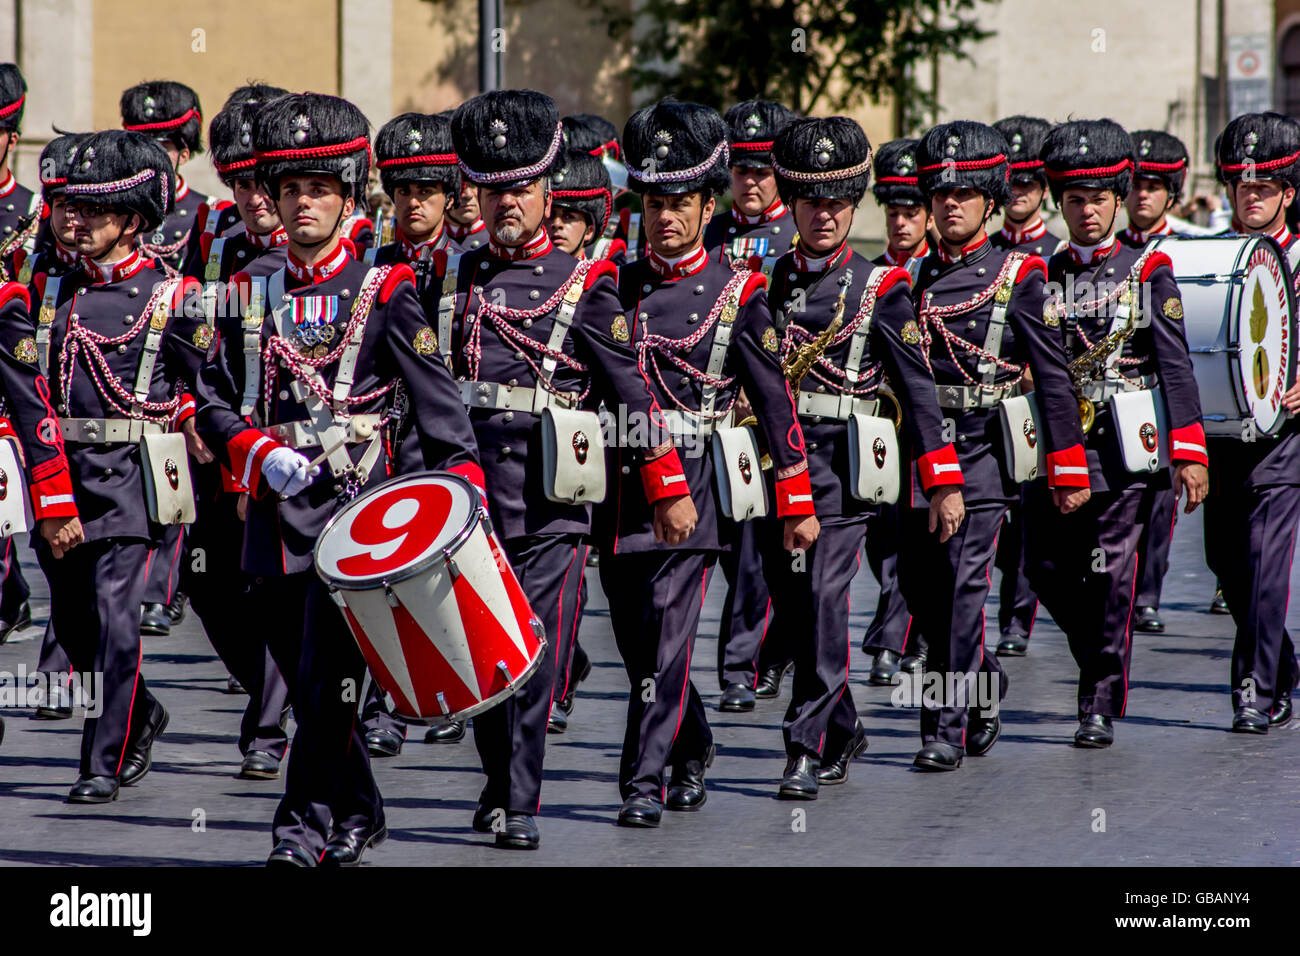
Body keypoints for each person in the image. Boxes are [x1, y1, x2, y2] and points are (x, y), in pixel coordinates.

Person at [196, 92, 483, 865]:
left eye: (318, 189)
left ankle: (298, 833)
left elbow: (440, 412)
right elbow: (212, 394)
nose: (301, 204)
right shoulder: (248, 288)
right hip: (272, 522)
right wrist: (253, 452)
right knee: (313, 686)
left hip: (358, 527)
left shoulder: (384, 289)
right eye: (290, 189)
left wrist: (462, 505)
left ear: (349, 194)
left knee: (324, 688)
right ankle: (361, 806)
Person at [448, 88, 694, 845]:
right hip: (469, 500)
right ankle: (499, 779)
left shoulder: (588, 284)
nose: (505, 203)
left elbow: (630, 390)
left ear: (549, 191)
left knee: (532, 655)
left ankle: (521, 803)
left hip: (554, 503)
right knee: (484, 655)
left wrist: (665, 486)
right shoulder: (454, 277)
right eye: (492, 191)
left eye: (519, 188)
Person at [597, 98, 814, 825]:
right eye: (655, 202)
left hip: (693, 486)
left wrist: (797, 499)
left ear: (705, 203)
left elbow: (775, 401)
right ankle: (691, 745)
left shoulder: (738, 291)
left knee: (665, 635)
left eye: (682, 202)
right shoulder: (612, 286)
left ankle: (643, 779)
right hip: (616, 487)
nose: (666, 217)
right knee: (638, 646)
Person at [762, 116, 964, 798]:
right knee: (790, 609)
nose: (825, 214)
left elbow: (918, 390)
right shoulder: (763, 282)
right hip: (773, 469)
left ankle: (804, 742)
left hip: (845, 474)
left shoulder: (882, 288)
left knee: (822, 601)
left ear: (854, 205)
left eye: (839, 201)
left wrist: (941, 482)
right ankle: (843, 725)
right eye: (813, 201)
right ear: (791, 203)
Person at [28, 130, 209, 801]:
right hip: (61, 477)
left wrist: (197, 425)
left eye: (90, 211)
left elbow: (207, 385)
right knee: (75, 623)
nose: (71, 221)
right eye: (64, 207)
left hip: (134, 477)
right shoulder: (46, 288)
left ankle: (101, 760)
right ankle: (142, 714)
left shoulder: (177, 293)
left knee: (114, 618)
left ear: (132, 220)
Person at [901, 120, 1088, 771]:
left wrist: (1067, 466)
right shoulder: (908, 278)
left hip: (982, 452)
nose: (951, 204)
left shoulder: (1023, 275)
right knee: (921, 594)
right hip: (917, 455)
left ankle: (941, 727)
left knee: (958, 590)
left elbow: (1056, 378)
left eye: (966, 193)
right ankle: (984, 691)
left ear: (989, 199)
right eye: (940, 193)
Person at [1027, 118, 1208, 748]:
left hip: (1129, 449)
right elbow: (1046, 374)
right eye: (1074, 199)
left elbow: (1175, 363)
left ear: (1119, 198)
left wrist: (1190, 452)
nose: (1088, 211)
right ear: (1059, 202)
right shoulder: (1042, 275)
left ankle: (1097, 699)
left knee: (1109, 573)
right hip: (1061, 445)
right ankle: (1095, 660)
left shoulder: (1149, 268)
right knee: (1043, 566)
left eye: (1099, 198)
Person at [180, 89, 293, 780]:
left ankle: (270, 728)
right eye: (238, 180)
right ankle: (274, 693)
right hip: (223, 437)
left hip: (297, 447)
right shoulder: (217, 241)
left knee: (281, 582)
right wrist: (195, 408)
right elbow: (195, 332)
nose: (252, 196)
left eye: (262, 180)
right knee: (208, 578)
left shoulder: (350, 243)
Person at [358, 109, 466, 756]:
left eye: (426, 190)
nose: (413, 202)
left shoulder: (467, 264)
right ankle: (384, 710)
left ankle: (449, 690)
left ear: (448, 196)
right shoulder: (372, 264)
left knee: (438, 574)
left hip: (442, 429)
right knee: (381, 573)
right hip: (383, 432)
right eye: (403, 190)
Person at [1204, 112, 1300, 733]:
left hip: (1287, 441)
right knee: (1226, 562)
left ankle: (1256, 691)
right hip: (1224, 439)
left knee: (1267, 563)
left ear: (1288, 193)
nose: (1252, 196)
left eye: (1264, 187)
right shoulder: (1213, 256)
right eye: (1243, 187)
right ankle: (1285, 666)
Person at [703, 100, 800, 713]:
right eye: (742, 168)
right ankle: (740, 664)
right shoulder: (708, 233)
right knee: (737, 544)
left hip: (781, 413)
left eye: (765, 168)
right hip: (718, 413)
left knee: (782, 553)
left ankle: (770, 649)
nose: (753, 179)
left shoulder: (798, 233)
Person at [988, 115, 1061, 658]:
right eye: (1009, 182)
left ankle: (1017, 618)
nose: (1018, 193)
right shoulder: (985, 251)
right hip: (985, 401)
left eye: (1028, 183)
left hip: (1032, 401)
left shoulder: (1057, 255)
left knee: (1028, 520)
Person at [861, 137, 931, 684]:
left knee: (916, 539)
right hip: (875, 428)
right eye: (893, 212)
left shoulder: (933, 275)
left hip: (927, 428)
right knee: (879, 539)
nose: (901, 223)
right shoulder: (867, 276)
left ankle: (896, 641)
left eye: (912, 213)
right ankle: (908, 632)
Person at [1119, 129, 1193, 635]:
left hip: (1168, 388)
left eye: (1155, 186)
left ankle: (1148, 593)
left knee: (1160, 499)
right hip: (1122, 392)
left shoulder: (1191, 248)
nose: (1142, 194)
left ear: (1172, 192)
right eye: (1136, 185)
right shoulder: (1106, 248)